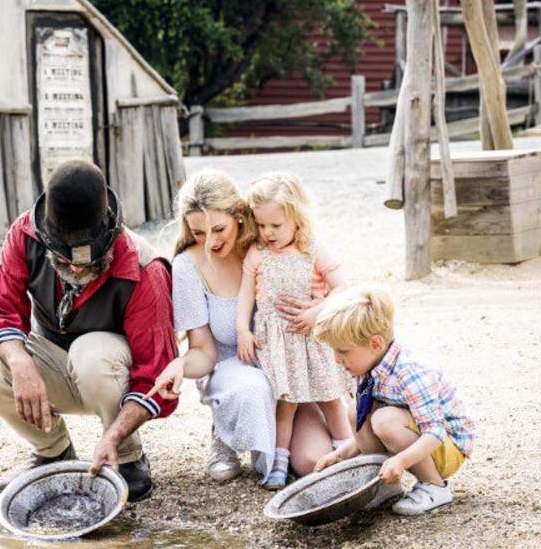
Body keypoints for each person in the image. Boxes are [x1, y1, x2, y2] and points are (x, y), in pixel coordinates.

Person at [0, 160, 176, 502]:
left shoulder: (145, 269)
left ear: (110, 233)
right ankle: (53, 452)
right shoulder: (25, 235)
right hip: (53, 363)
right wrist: (20, 363)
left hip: (109, 374)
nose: (77, 268)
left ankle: (126, 456)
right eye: (64, 259)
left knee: (90, 353)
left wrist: (114, 434)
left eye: (87, 260)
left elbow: (157, 375)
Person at [150, 170, 345, 484]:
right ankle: (226, 429)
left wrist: (318, 305)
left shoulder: (270, 241)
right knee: (255, 388)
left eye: (219, 229)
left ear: (239, 214)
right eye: (199, 233)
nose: (210, 242)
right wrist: (180, 365)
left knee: (313, 461)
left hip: (292, 366)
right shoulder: (189, 265)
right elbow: (203, 352)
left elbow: (334, 283)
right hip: (235, 369)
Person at [235, 171, 353, 489]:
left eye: (276, 225)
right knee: (285, 404)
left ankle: (348, 453)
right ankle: (278, 463)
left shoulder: (313, 249)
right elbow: (245, 295)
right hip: (279, 344)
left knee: (331, 398)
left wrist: (318, 311)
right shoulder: (258, 253)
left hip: (313, 340)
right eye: (261, 225)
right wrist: (243, 330)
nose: (268, 233)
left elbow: (343, 287)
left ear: (297, 218)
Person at [313, 286, 475, 516]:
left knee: (384, 419)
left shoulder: (409, 371)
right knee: (357, 410)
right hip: (418, 437)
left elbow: (435, 431)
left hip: (447, 447)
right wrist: (340, 454)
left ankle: (435, 486)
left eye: (343, 351)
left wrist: (400, 461)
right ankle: (383, 486)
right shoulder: (367, 368)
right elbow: (365, 424)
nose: (337, 359)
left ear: (375, 344)